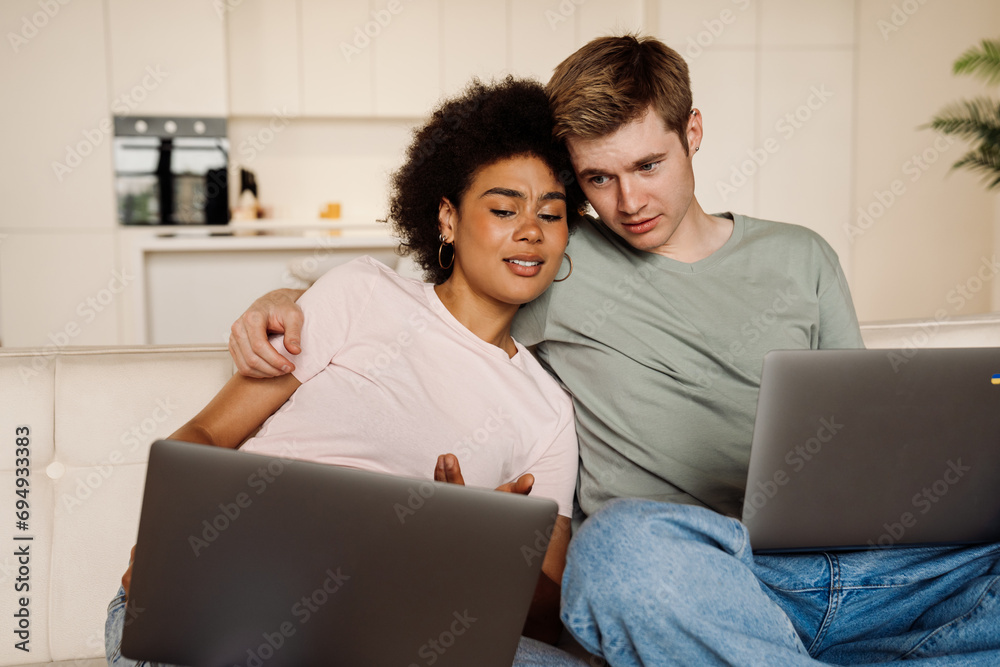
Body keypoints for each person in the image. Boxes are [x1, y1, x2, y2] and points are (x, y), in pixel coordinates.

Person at [233, 34, 1000, 666]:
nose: (628, 202)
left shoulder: (804, 259)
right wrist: (287, 302)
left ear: (691, 133)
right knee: (619, 550)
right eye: (598, 179)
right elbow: (428, 285)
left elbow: (868, 432)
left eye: (647, 166)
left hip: (883, 576)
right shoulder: (560, 258)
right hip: (692, 578)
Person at [105, 76, 590, 666]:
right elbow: (207, 436)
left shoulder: (548, 413)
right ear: (447, 218)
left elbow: (545, 615)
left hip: (390, 631)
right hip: (240, 594)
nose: (531, 231)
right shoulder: (362, 293)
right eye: (503, 208)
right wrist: (165, 543)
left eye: (552, 213)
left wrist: (481, 547)